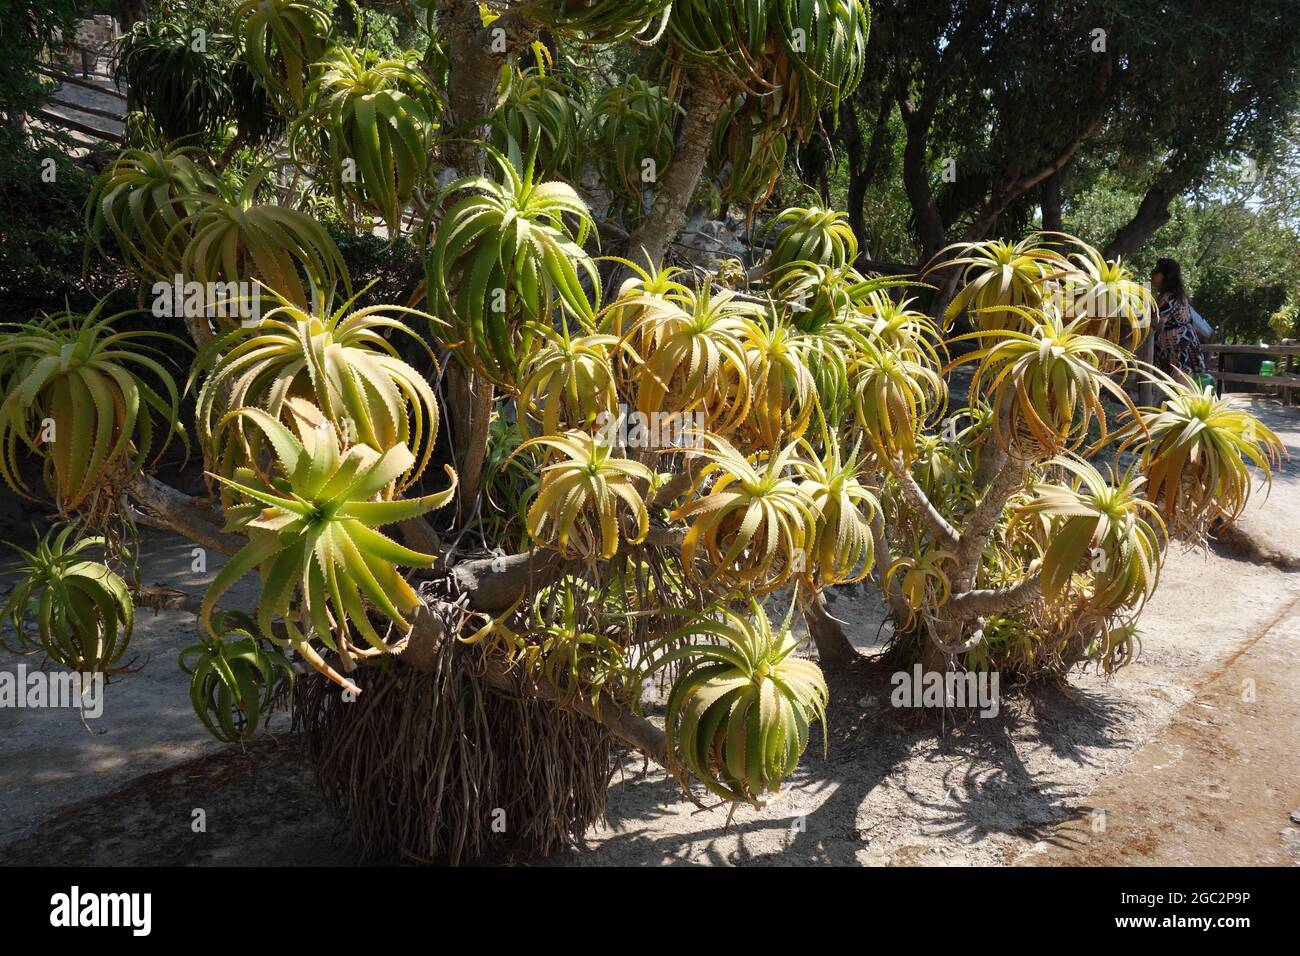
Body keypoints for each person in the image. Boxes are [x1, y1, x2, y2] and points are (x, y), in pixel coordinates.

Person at [1150, 257, 1206, 377]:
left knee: (1181, 384)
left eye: (1156, 271)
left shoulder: (1169, 298)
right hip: (1181, 343)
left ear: (1166, 275)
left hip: (1176, 347)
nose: (1152, 274)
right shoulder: (1177, 296)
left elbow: (1157, 324)